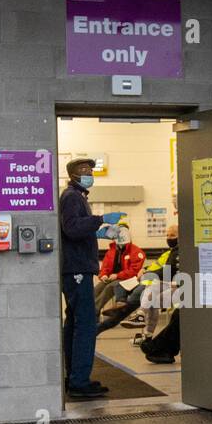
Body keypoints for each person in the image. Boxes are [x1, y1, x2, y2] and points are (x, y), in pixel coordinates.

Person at [60, 157, 108, 399]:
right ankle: (80, 381)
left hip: (76, 268)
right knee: (87, 324)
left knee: (74, 324)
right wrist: (99, 220)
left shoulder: (78, 197)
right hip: (77, 269)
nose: (88, 172)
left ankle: (74, 377)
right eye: (83, 169)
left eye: (90, 169)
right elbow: (71, 228)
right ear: (72, 174)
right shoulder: (71, 197)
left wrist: (99, 230)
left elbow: (78, 227)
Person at [94, 222, 145, 314]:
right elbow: (105, 267)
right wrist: (104, 275)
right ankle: (86, 312)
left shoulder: (136, 252)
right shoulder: (111, 251)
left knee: (110, 287)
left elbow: (134, 271)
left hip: (129, 280)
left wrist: (117, 275)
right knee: (97, 288)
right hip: (111, 278)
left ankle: (94, 312)